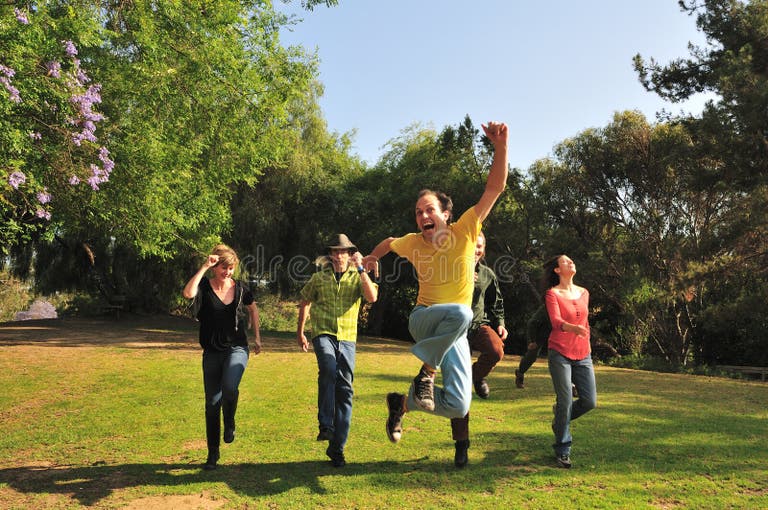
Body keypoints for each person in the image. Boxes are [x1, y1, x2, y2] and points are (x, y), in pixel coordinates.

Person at [362, 121, 508, 466]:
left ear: (446, 214)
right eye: (418, 211)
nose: (423, 215)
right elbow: (387, 243)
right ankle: (426, 374)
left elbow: (495, 187)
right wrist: (371, 257)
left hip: (453, 331)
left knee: (459, 403)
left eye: (429, 209)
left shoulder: (466, 231)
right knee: (462, 313)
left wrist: (500, 146)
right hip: (425, 319)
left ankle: (403, 402)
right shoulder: (413, 242)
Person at [298, 234, 378, 468]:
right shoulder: (318, 278)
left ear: (350, 253)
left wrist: (362, 268)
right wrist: (300, 332)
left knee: (345, 391)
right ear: (330, 255)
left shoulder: (358, 276)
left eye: (343, 251)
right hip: (323, 332)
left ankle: (337, 447)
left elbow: (371, 297)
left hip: (347, 338)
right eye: (334, 251)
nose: (338, 255)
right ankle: (326, 424)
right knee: (328, 368)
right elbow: (304, 302)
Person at [182, 244, 262, 471]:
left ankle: (230, 421)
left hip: (237, 348)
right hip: (211, 352)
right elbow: (188, 293)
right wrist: (204, 267)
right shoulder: (205, 287)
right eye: (224, 268)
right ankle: (212, 453)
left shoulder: (240, 289)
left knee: (230, 387)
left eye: (231, 268)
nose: (227, 272)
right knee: (211, 404)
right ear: (216, 267)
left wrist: (257, 338)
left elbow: (253, 309)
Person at [448, 231, 508, 467]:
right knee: (457, 390)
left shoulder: (487, 274)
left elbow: (497, 303)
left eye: (481, 246)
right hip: (455, 332)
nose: (477, 250)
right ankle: (461, 444)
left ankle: (476, 376)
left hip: (479, 326)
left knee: (496, 351)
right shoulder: (450, 269)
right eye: (473, 246)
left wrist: (501, 324)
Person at [542, 254, 597, 469]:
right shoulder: (552, 294)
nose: (571, 262)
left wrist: (588, 344)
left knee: (589, 401)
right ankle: (563, 450)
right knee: (565, 399)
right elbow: (556, 322)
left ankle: (560, 419)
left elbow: (586, 322)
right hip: (559, 352)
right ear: (557, 270)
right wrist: (572, 328)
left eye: (571, 260)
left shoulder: (584, 293)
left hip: (583, 353)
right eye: (565, 261)